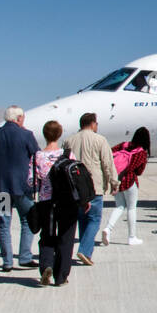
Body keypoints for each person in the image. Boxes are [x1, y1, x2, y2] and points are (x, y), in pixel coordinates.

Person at [0, 106, 41, 271]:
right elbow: (37, 156)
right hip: (22, 188)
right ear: (19, 118)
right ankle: (25, 257)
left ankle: (7, 262)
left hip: (1, 189)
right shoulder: (26, 135)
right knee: (28, 220)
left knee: (3, 223)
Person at [62, 112, 118, 266]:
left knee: (82, 218)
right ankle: (85, 250)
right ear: (93, 124)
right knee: (94, 219)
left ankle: (86, 252)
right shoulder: (100, 140)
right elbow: (107, 163)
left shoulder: (69, 141)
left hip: (74, 187)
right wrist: (114, 181)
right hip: (94, 186)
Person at [30, 120, 80, 287]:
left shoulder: (37, 156)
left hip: (46, 202)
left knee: (47, 236)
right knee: (66, 238)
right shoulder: (67, 155)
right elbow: (76, 176)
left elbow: (30, 181)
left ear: (45, 135)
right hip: (66, 202)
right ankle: (61, 276)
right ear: (59, 134)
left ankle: (46, 266)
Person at [103, 127, 150, 245]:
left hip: (116, 180)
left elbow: (109, 153)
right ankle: (131, 237)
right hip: (129, 181)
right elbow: (139, 171)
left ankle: (108, 228)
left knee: (119, 206)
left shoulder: (123, 145)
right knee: (131, 208)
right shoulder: (141, 152)